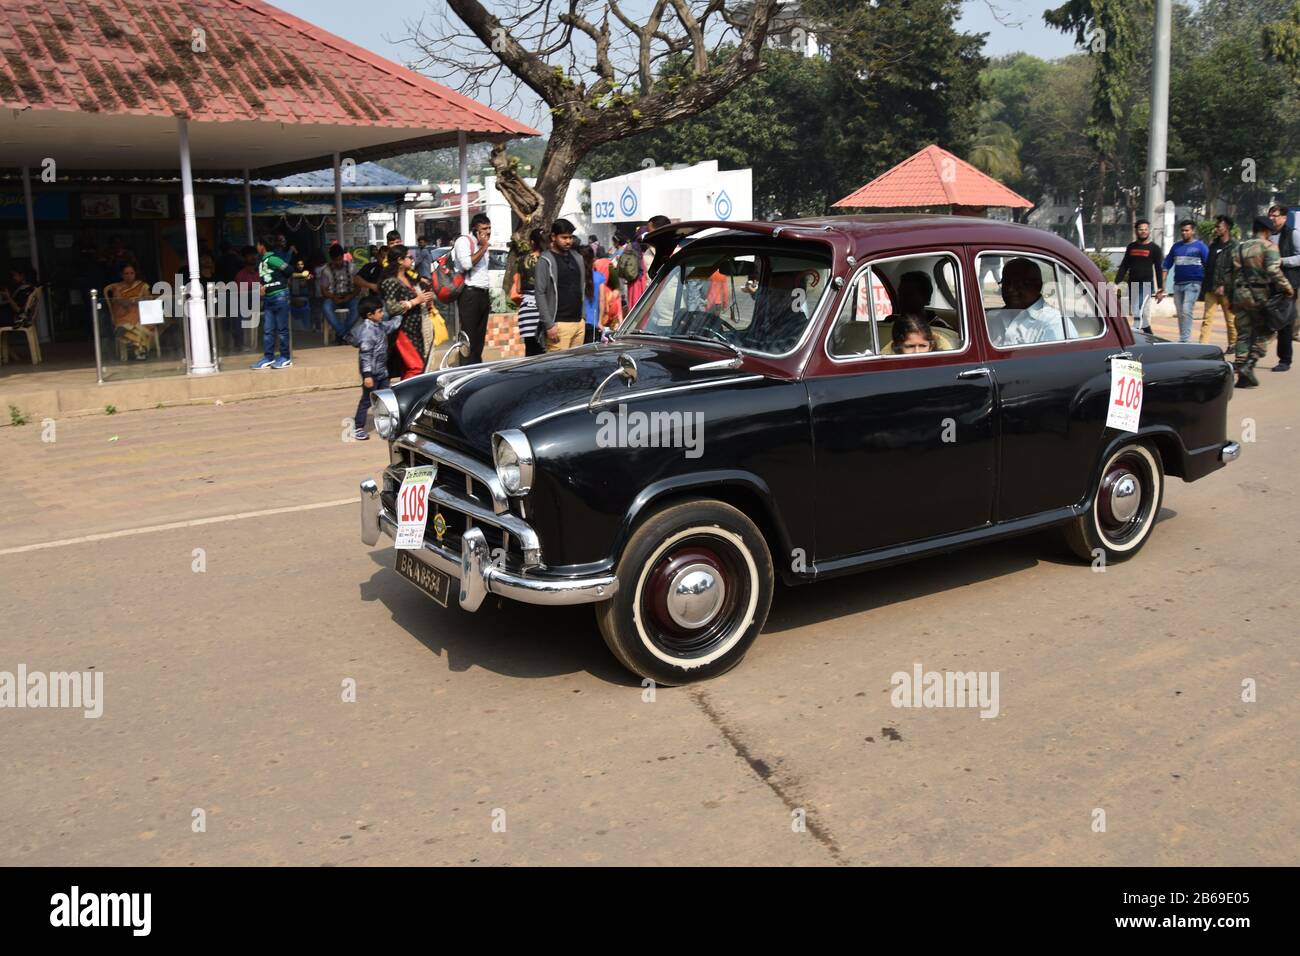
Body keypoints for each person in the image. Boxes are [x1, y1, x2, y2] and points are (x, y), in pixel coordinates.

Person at [1215, 216, 1295, 387]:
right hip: (1259, 295)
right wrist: (1288, 288)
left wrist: (1229, 297)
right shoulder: (1269, 247)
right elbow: (1274, 271)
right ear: (1267, 231)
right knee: (1267, 330)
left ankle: (1242, 369)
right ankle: (1250, 363)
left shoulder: (1239, 247)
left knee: (1243, 333)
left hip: (1239, 294)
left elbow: (1228, 275)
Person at [987, 257, 1076, 346]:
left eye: (1018, 284)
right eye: (1006, 283)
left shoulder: (1053, 324)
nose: (1010, 289)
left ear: (1038, 286)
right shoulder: (996, 318)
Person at [379, 244, 434, 379]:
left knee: (413, 367)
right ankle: (406, 396)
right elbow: (391, 308)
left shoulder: (409, 279)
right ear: (400, 260)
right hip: (403, 330)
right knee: (416, 367)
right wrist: (414, 302)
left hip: (416, 329)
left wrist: (426, 300)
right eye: (409, 257)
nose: (412, 260)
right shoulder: (391, 282)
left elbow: (417, 300)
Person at [352, 294, 401, 440]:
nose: (382, 314)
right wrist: (367, 375)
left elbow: (391, 325)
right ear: (369, 315)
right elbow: (365, 356)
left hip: (382, 371)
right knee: (367, 400)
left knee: (386, 398)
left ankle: (387, 425)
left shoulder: (379, 326)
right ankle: (358, 427)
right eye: (379, 312)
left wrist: (401, 313)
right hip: (371, 374)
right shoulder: (367, 332)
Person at [536, 218, 588, 352]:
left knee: (577, 369)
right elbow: (540, 293)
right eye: (564, 237)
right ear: (553, 237)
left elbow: (581, 286)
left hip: (578, 323)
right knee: (558, 370)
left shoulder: (577, 257)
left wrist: (583, 318)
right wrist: (549, 324)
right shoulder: (545, 260)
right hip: (558, 324)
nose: (568, 241)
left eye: (570, 237)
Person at [453, 213, 493, 364]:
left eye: (489, 228)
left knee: (479, 338)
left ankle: (476, 367)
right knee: (469, 337)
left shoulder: (483, 245)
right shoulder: (464, 241)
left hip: (483, 293)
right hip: (469, 294)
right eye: (484, 229)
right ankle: (465, 368)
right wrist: (483, 247)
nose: (487, 232)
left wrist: (483, 246)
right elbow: (467, 265)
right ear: (475, 230)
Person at [1161, 219, 1209, 343]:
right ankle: (1183, 337)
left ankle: (1185, 339)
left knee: (1187, 310)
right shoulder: (1176, 247)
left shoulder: (1200, 247)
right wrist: (1163, 286)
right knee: (1180, 312)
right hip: (1178, 285)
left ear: (1193, 231)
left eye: (1187, 230)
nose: (1184, 233)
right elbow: (1166, 265)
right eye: (1182, 230)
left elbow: (1208, 265)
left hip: (1193, 284)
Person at [1114, 218, 1164, 332]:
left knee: (1139, 309)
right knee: (1139, 313)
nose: (1144, 232)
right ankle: (1150, 336)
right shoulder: (1131, 247)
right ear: (1136, 231)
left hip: (1146, 285)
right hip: (1133, 284)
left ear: (1149, 231)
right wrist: (1116, 283)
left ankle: (1134, 334)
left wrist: (1160, 288)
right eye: (1141, 229)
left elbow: (1158, 269)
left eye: (1146, 229)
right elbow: (1124, 266)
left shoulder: (1154, 249)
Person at [251, 234, 292, 369]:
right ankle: (268, 357)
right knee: (268, 330)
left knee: (282, 329)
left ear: (262, 246)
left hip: (280, 296)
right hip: (269, 298)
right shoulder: (261, 261)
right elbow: (264, 278)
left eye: (258, 244)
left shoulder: (273, 259)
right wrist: (262, 287)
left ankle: (285, 357)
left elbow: (289, 270)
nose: (257, 247)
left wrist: (281, 283)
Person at [1267, 204, 1300, 370]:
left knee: (1286, 323)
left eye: (1276, 215)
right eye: (1271, 215)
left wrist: (1283, 261)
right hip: (1269, 283)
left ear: (1284, 218)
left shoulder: (1292, 234)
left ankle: (1285, 360)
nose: (1272, 218)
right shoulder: (1267, 235)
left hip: (1288, 284)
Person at [104, 263, 159, 360]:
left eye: (131, 273)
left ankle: (138, 348)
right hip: (123, 317)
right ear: (122, 275)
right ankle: (139, 348)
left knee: (145, 323)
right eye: (126, 273)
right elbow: (119, 301)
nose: (129, 276)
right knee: (123, 328)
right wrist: (133, 301)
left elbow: (148, 299)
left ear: (135, 274)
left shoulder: (142, 286)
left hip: (141, 315)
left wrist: (138, 301)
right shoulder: (117, 287)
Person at [1199, 215, 1236, 353]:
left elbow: (1234, 270)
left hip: (1227, 290)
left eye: (1219, 226)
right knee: (1207, 319)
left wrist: (1225, 285)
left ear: (1226, 228)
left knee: (1231, 320)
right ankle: (1202, 346)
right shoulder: (1213, 246)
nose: (1216, 229)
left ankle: (1233, 344)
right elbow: (1209, 267)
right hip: (1211, 289)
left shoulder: (1234, 246)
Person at [319, 243, 359, 344]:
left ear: (343, 256)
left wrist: (350, 296)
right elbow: (324, 290)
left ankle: (340, 334)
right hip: (333, 297)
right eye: (335, 260)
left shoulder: (352, 267)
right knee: (326, 307)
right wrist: (333, 297)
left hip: (349, 296)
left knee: (358, 307)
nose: (338, 262)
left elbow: (358, 287)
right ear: (331, 259)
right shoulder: (326, 270)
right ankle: (344, 334)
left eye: (340, 259)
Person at [514, 229, 545, 356]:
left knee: (531, 352)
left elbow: (518, 288)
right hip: (545, 310)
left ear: (532, 242)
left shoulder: (522, 260)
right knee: (545, 352)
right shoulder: (549, 259)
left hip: (527, 310)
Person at [581, 244, 606, 343]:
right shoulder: (599, 277)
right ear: (593, 259)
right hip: (594, 322)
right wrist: (600, 321)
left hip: (579, 322)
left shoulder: (578, 277)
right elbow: (602, 300)